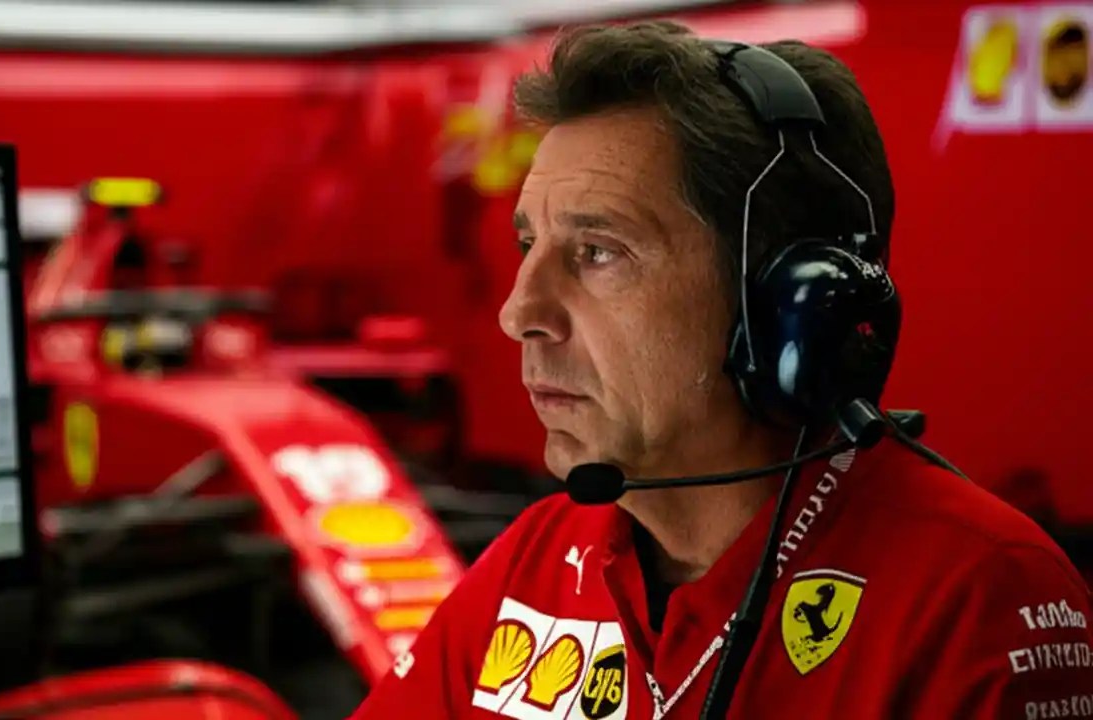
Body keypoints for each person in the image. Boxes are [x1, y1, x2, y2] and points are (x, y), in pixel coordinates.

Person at [350, 19, 1093, 720]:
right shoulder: (540, 559)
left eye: (598, 252)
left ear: (782, 307)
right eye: (528, 247)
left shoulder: (977, 599)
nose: (520, 312)